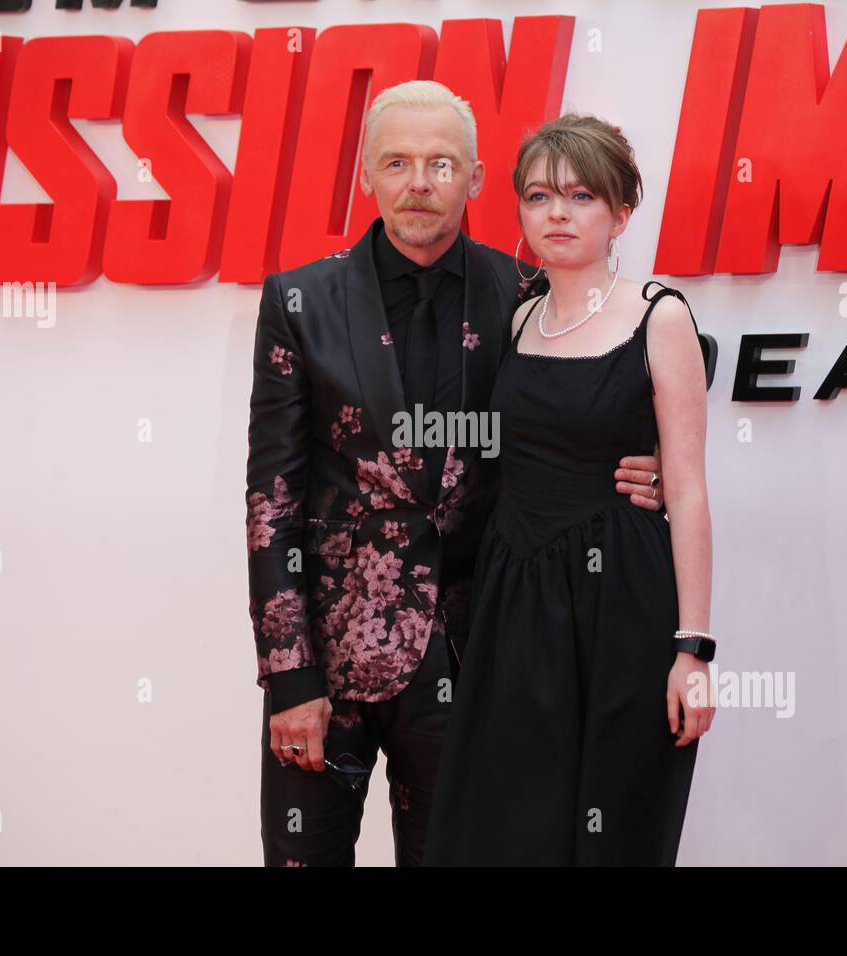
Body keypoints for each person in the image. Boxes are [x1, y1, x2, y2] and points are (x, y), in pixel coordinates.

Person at [245, 82, 668, 866]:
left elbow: (624, 371)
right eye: (397, 162)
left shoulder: (526, 295)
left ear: (475, 180)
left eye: (441, 164)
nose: (418, 183)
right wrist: (289, 677)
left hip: (479, 660)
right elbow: (271, 501)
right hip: (327, 669)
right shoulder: (301, 300)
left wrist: (665, 464)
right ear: (366, 175)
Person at [424, 114, 716, 866]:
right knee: (512, 825)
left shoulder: (662, 317)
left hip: (621, 599)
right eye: (540, 196)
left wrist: (693, 650)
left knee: (611, 823)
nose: (558, 212)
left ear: (620, 214)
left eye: (582, 196)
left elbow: (685, 490)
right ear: (519, 210)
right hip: (516, 600)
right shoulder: (518, 317)